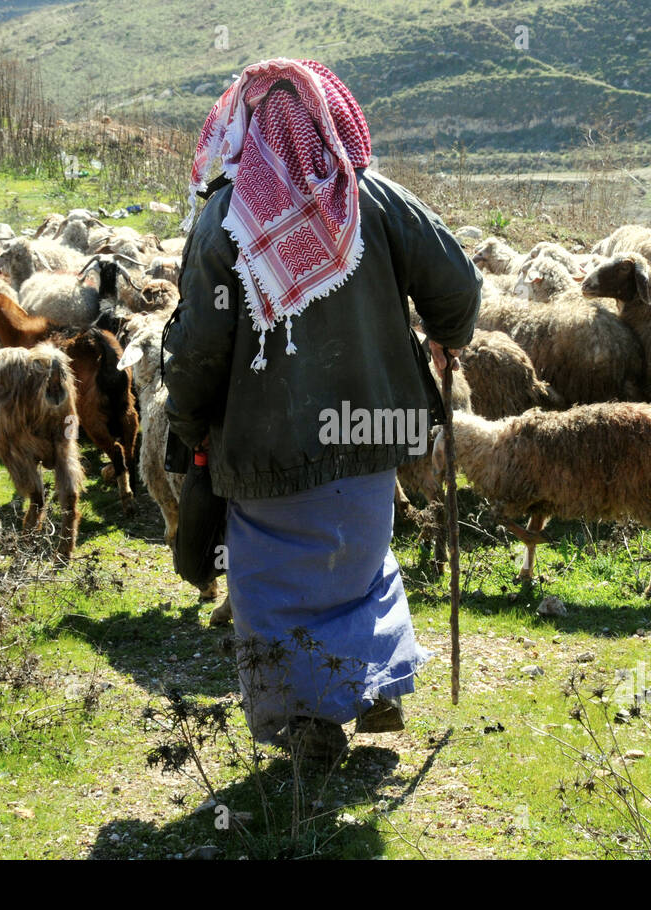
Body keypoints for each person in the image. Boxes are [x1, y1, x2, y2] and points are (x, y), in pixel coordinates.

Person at [162, 59, 480, 764]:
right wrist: (445, 338)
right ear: (333, 118)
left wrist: (187, 427)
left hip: (266, 445)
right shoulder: (374, 198)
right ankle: (375, 688)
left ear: (245, 127)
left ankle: (308, 722)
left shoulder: (226, 220)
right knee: (362, 563)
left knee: (272, 583)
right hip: (374, 434)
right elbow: (457, 286)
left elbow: (196, 350)